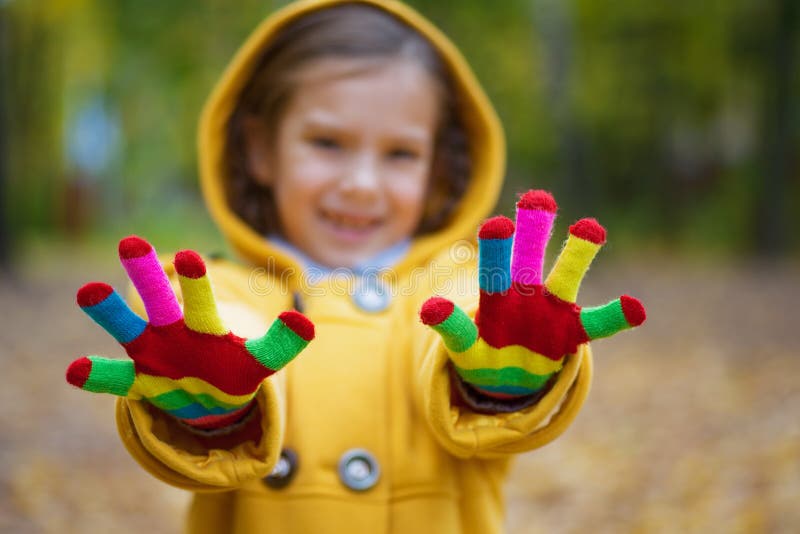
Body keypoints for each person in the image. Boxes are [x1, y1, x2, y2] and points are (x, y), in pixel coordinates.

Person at [65, 1, 646, 533]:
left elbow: (464, 352)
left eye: (400, 154)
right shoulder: (202, 296)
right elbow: (228, 340)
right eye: (327, 143)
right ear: (262, 148)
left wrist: (503, 376)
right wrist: (217, 397)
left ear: (437, 170)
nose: (362, 184)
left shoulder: (464, 286)